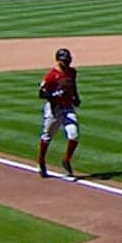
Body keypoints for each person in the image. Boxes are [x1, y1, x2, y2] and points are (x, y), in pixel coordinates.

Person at [37, 48, 81, 179]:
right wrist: (55, 94)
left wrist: (76, 98)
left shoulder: (72, 72)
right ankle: (41, 161)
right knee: (47, 136)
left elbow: (73, 85)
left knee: (74, 135)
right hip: (54, 109)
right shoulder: (51, 76)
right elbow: (41, 94)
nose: (66, 62)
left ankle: (66, 160)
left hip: (68, 108)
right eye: (64, 60)